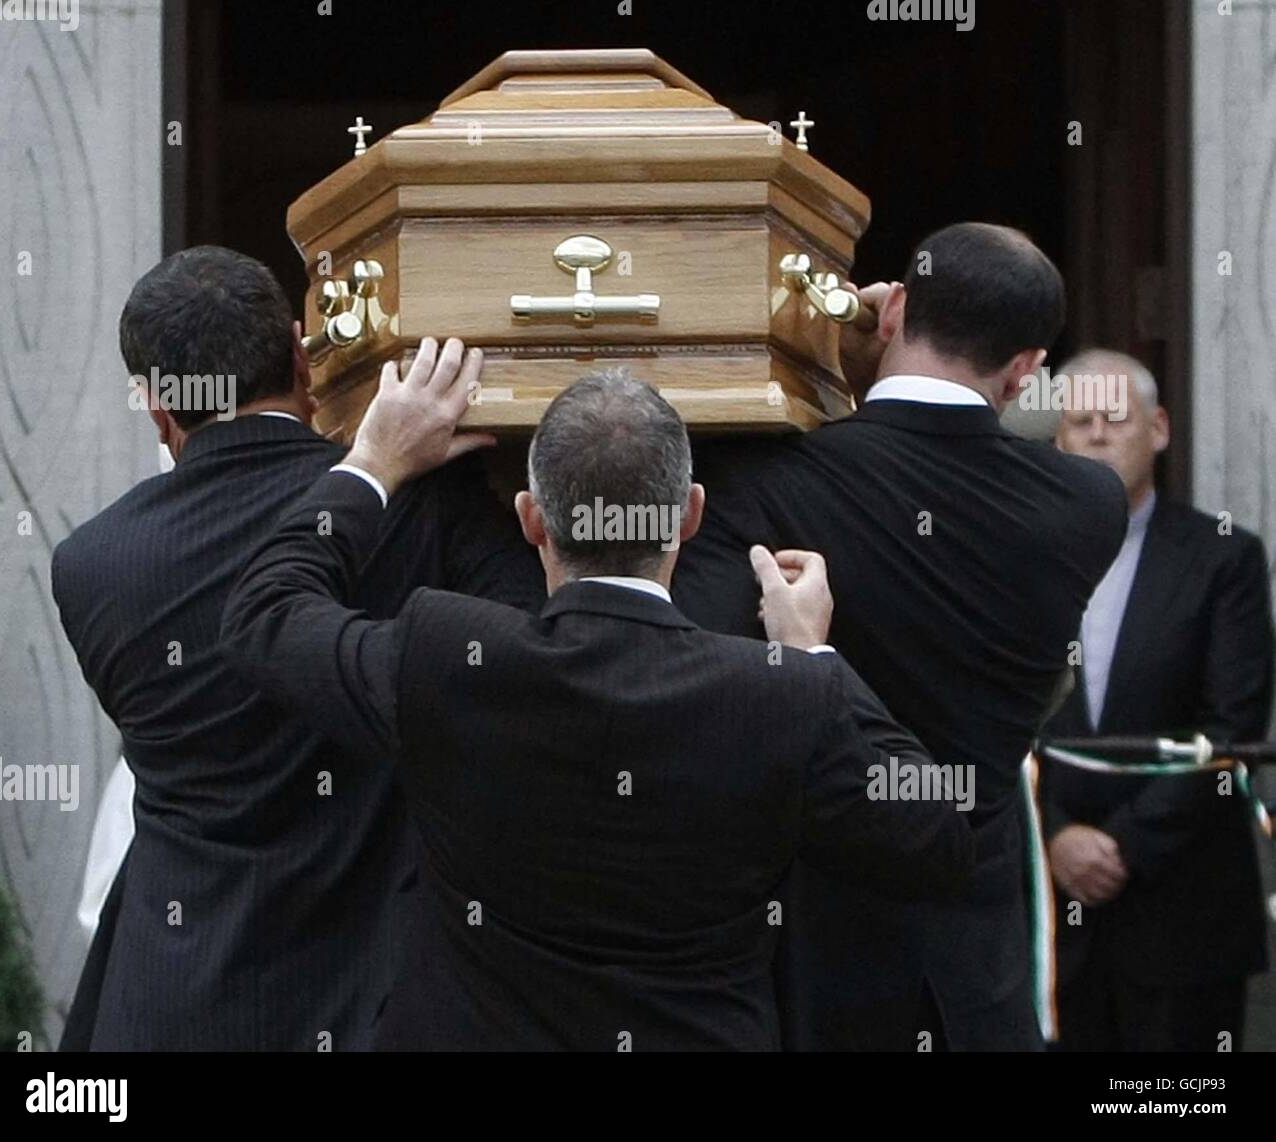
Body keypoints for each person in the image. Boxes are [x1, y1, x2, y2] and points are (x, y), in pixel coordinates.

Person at [220, 363, 974, 1051]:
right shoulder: (783, 694)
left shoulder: (446, 656)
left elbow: (265, 615)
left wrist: (373, 464)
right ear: (690, 516)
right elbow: (940, 830)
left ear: (531, 520)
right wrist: (814, 652)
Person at [52, 246, 541, 1050]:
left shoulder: (92, 566)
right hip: (364, 999)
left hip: (173, 999)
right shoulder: (422, 505)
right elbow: (535, 642)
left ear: (158, 411)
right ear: (301, 358)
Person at [671, 222, 1129, 1051]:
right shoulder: (1088, 504)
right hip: (975, 958)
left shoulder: (762, 484)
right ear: (1027, 370)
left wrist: (839, 368)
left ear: (896, 309)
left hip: (814, 951)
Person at [1044, 349, 1273, 1051]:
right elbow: (987, 718)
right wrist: (1055, 834)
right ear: (1058, 442)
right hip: (1049, 916)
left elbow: (1231, 729)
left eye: (1116, 417)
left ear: (1161, 429)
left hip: (1183, 911)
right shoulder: (1022, 556)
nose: (1098, 433)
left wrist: (1121, 846)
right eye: (1080, 420)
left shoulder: (1223, 557)